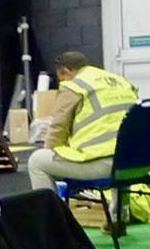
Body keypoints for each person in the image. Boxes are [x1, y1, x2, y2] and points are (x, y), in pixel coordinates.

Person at [26, 51, 139, 199]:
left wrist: (53, 154)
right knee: (118, 146)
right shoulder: (120, 81)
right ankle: (119, 214)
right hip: (136, 162)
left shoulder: (75, 86)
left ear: (66, 71)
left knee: (37, 161)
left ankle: (51, 218)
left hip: (105, 166)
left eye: (61, 78)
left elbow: (57, 129)